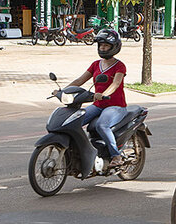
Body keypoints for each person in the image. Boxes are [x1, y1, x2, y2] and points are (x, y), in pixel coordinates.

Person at [55, 28, 129, 168]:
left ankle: (116, 155)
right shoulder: (96, 64)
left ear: (114, 47)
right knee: (74, 120)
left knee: (102, 125)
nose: (103, 48)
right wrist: (62, 91)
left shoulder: (119, 66)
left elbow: (116, 83)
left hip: (116, 106)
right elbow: (79, 81)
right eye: (101, 45)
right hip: (98, 105)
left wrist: (104, 94)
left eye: (106, 45)